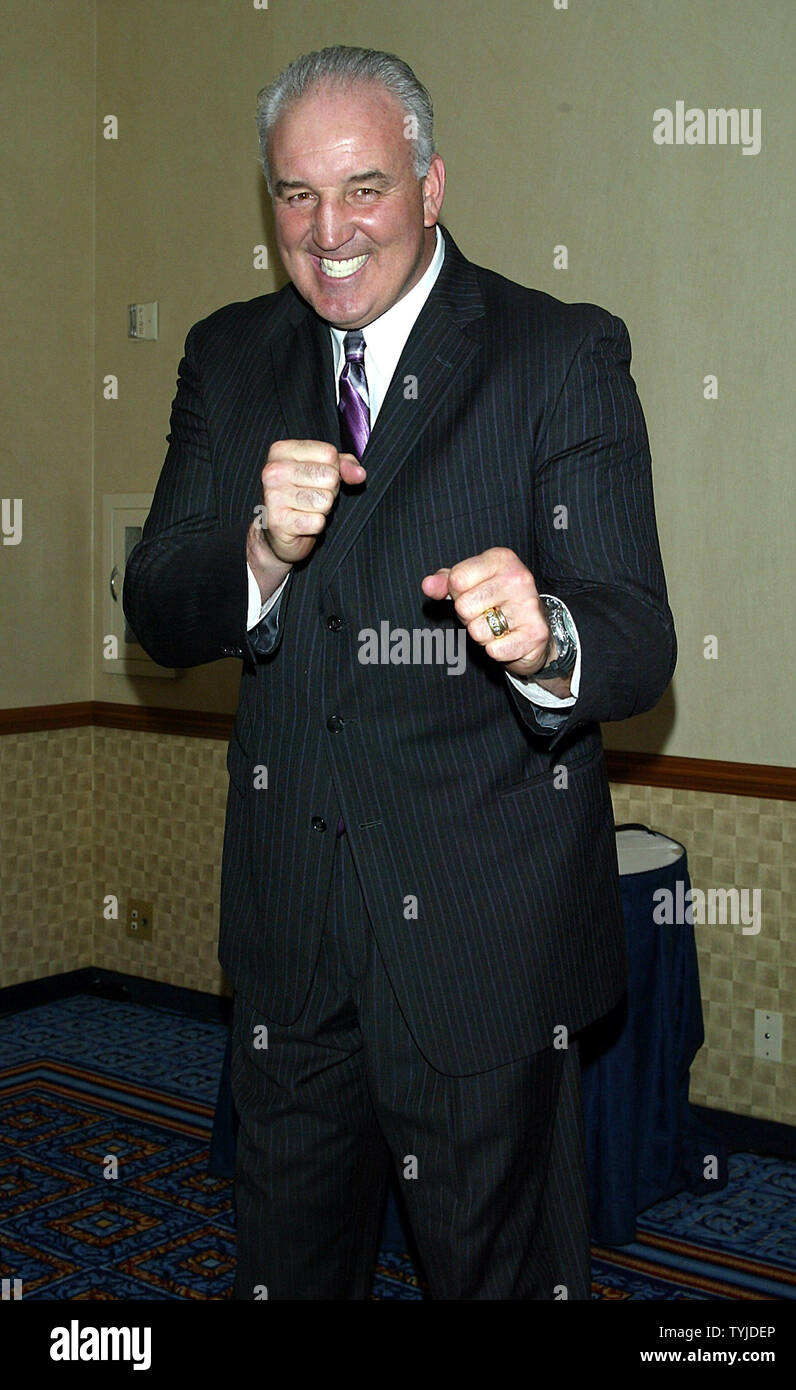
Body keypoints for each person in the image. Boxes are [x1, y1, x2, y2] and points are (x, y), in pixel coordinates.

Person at [123, 44, 676, 1301]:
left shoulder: (557, 351)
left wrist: (546, 640)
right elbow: (155, 605)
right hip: (289, 940)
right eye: (295, 195)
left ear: (432, 187)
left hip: (483, 950)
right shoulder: (227, 356)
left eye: (363, 187)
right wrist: (258, 549)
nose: (328, 232)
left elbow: (640, 636)